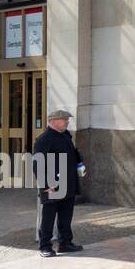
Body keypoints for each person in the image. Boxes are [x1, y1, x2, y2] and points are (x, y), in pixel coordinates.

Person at [31, 109, 84, 258]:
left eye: (67, 119)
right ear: (53, 121)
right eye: (64, 119)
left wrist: (79, 163)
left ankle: (65, 243)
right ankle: (45, 246)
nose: (67, 121)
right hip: (52, 186)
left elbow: (73, 153)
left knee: (66, 216)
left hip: (68, 183)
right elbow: (38, 164)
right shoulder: (44, 139)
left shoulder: (65, 135)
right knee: (48, 217)